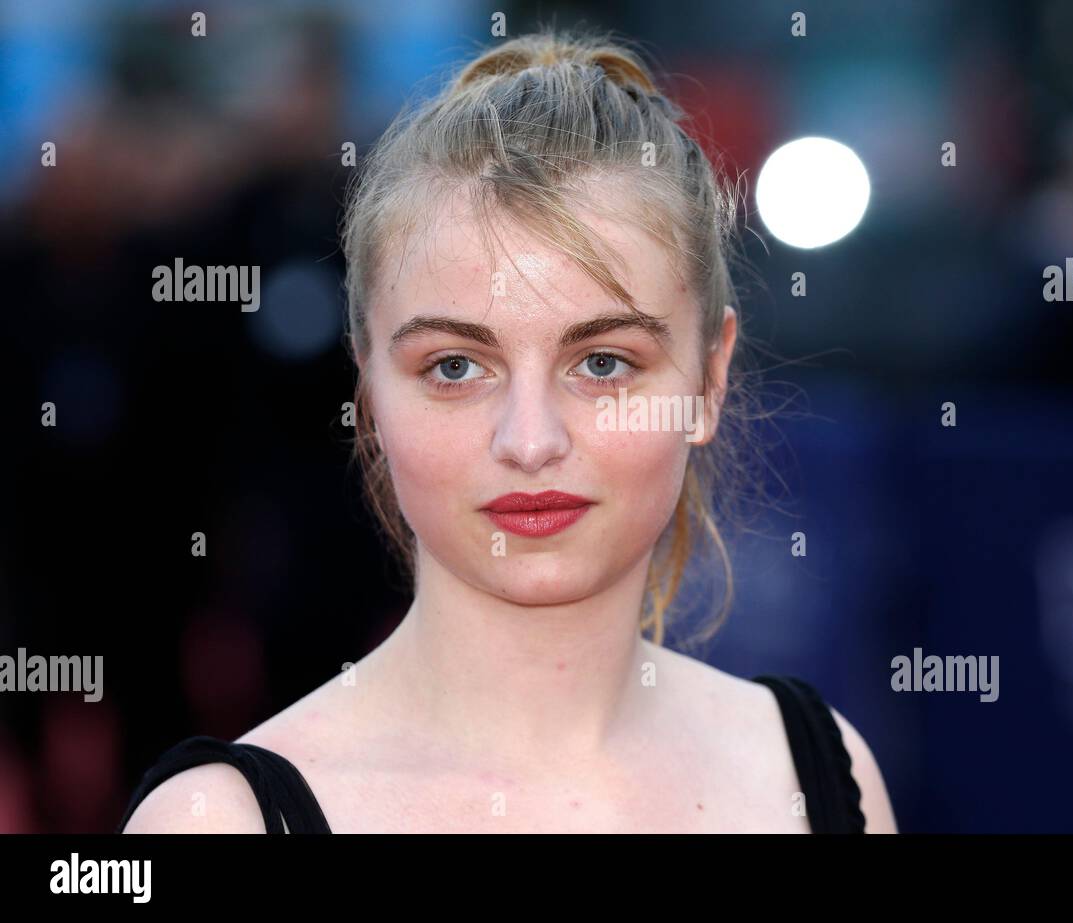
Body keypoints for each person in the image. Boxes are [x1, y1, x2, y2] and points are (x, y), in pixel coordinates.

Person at [117, 26, 896, 834]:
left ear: (707, 378)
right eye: (455, 366)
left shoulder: (821, 772)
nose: (529, 442)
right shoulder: (218, 822)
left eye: (602, 363)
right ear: (370, 394)